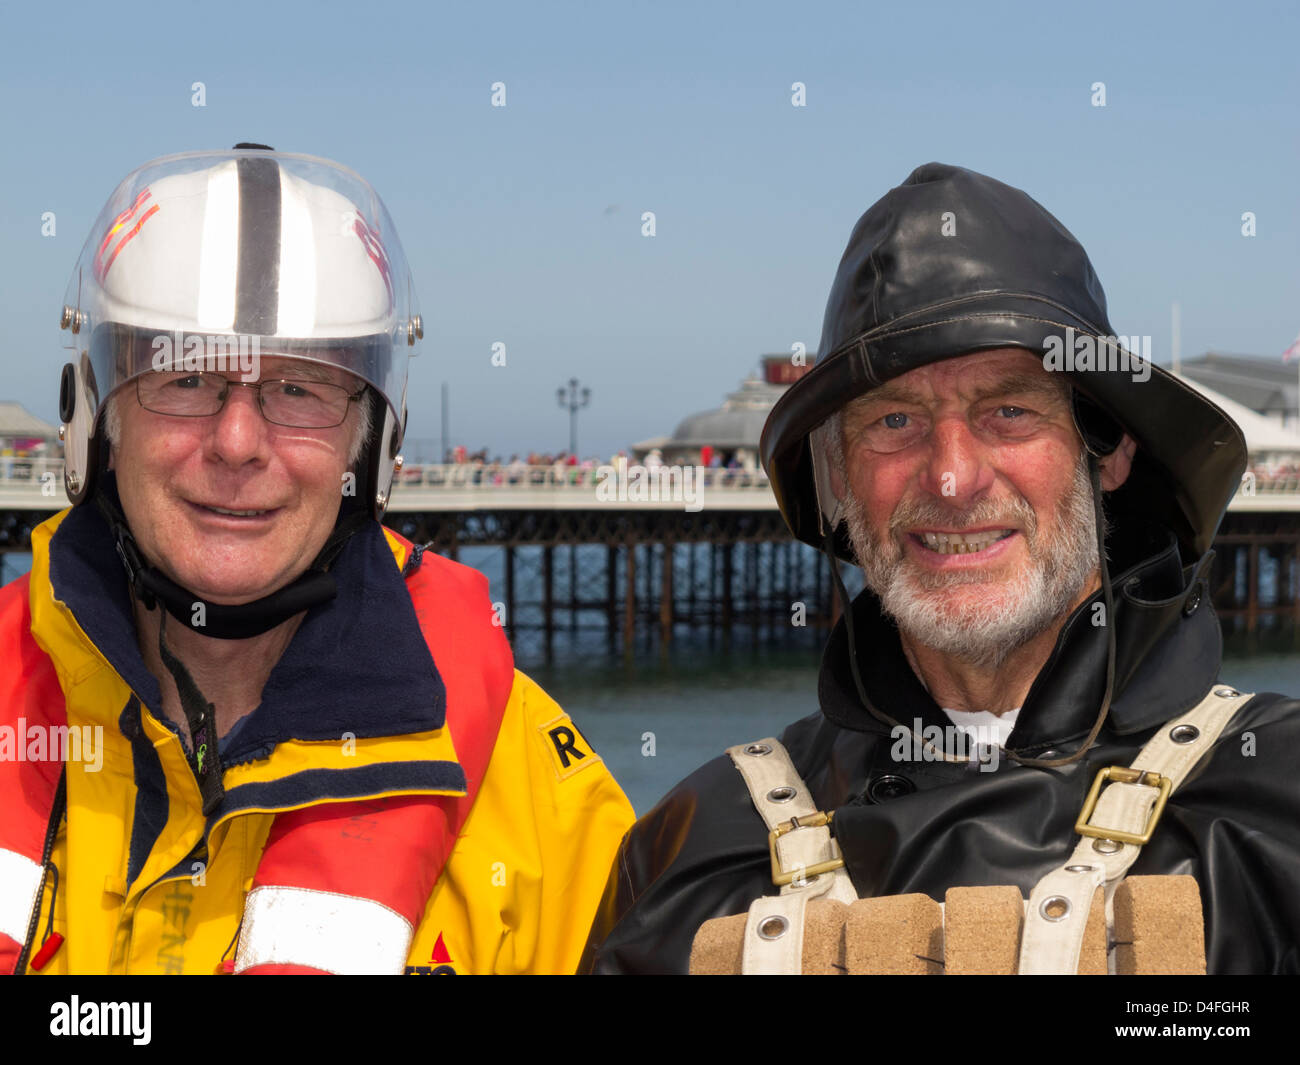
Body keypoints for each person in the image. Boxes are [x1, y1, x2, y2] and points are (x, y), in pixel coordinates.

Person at [583, 162, 1300, 974]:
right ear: (840, 478)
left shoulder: (1270, 811)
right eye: (894, 420)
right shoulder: (695, 846)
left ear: (1110, 448)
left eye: (1009, 410)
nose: (953, 477)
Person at [0, 145, 633, 975]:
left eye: (299, 389)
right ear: (96, 419)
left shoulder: (534, 793)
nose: (236, 443)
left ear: (369, 448)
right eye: (185, 380)